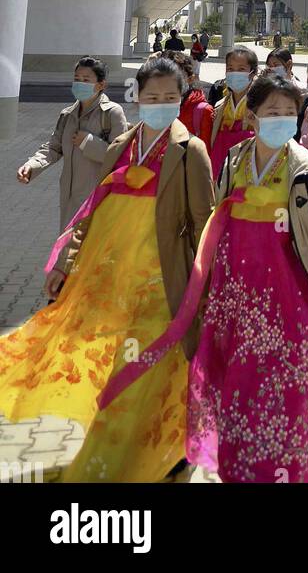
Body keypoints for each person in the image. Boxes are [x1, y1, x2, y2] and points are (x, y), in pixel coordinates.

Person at [99, 75, 308, 483]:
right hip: (236, 300)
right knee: (241, 386)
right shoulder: (236, 159)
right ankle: (244, 467)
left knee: (292, 392)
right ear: (253, 116)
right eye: (272, 112)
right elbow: (214, 217)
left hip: (293, 304)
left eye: (290, 113)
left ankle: (296, 470)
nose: (281, 119)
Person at [0, 56, 214, 482]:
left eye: (169, 98)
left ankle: (167, 447)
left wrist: (203, 286)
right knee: (114, 359)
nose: (160, 104)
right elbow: (90, 214)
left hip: (161, 278)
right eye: (152, 97)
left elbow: (203, 221)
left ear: (180, 99)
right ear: (137, 98)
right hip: (109, 275)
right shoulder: (121, 147)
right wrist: (65, 262)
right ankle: (140, 442)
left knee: (158, 360)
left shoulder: (191, 152)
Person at [16, 58, 128, 231]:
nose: (79, 84)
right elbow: (53, 147)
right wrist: (32, 165)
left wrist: (88, 143)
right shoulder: (68, 114)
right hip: (69, 198)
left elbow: (119, 155)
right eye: (77, 79)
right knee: (68, 251)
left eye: (86, 80)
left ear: (101, 85)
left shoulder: (112, 112)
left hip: (98, 198)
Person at [208, 46, 258, 176]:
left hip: (247, 168)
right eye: (230, 69)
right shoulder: (220, 106)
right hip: (221, 168)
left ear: (252, 73)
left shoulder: (260, 105)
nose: (235, 73)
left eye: (241, 69)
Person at [168, 51, 216, 147]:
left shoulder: (203, 112)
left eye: (177, 77)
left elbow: (206, 156)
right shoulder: (158, 109)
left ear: (190, 79)